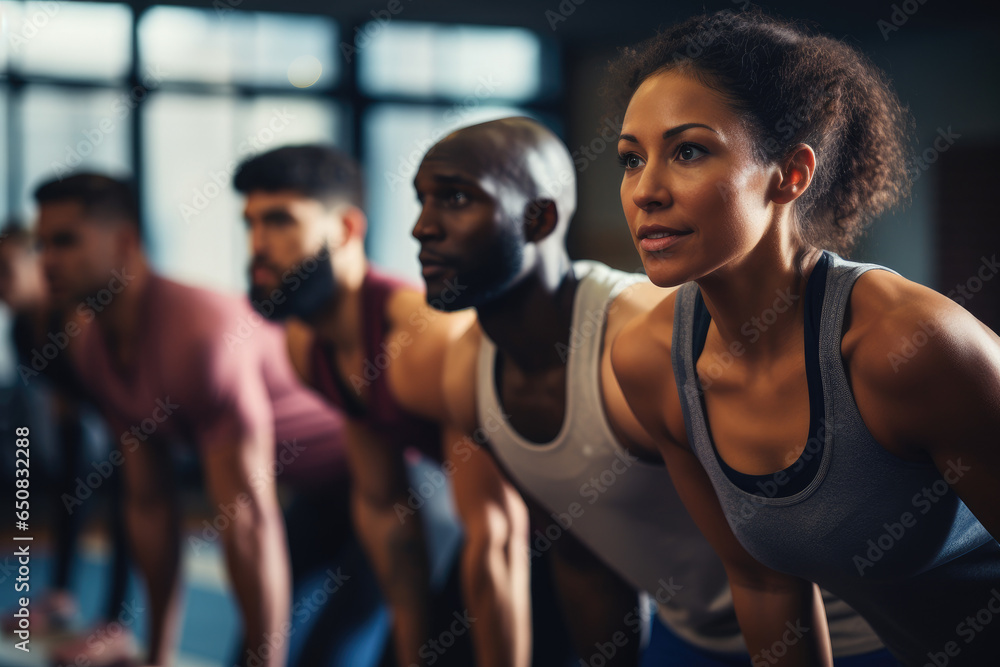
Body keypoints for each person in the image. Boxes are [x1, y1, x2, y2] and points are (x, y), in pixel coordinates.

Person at [412, 116, 896, 666]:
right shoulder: (465, 373)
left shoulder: (646, 339)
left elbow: (781, 551)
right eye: (421, 200)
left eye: (456, 198)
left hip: (848, 637)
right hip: (692, 637)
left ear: (539, 218)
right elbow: (581, 553)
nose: (421, 228)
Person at [608, 9, 1000, 666]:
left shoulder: (908, 346)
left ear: (791, 173)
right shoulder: (649, 361)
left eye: (689, 151)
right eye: (630, 158)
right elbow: (763, 584)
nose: (645, 190)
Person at [33, 173, 356, 667]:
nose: (47, 261)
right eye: (42, 245)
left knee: (329, 656)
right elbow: (150, 506)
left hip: (401, 487)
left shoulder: (201, 335)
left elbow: (246, 519)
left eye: (65, 241)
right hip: (317, 500)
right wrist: (158, 657)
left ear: (124, 242)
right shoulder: (91, 348)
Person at [233, 146, 528, 667]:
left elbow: (497, 535)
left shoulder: (424, 341)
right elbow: (384, 503)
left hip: (559, 530)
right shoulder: (308, 344)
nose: (258, 245)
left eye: (280, 221)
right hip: (485, 522)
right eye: (250, 223)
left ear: (346, 228)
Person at [0, 222, 130, 642]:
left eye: (5, 269)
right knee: (70, 484)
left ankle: (115, 623)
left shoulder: (76, 318)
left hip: (137, 418)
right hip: (92, 417)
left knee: (128, 504)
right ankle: (59, 596)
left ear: (37, 263)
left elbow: (118, 393)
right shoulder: (21, 329)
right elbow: (62, 403)